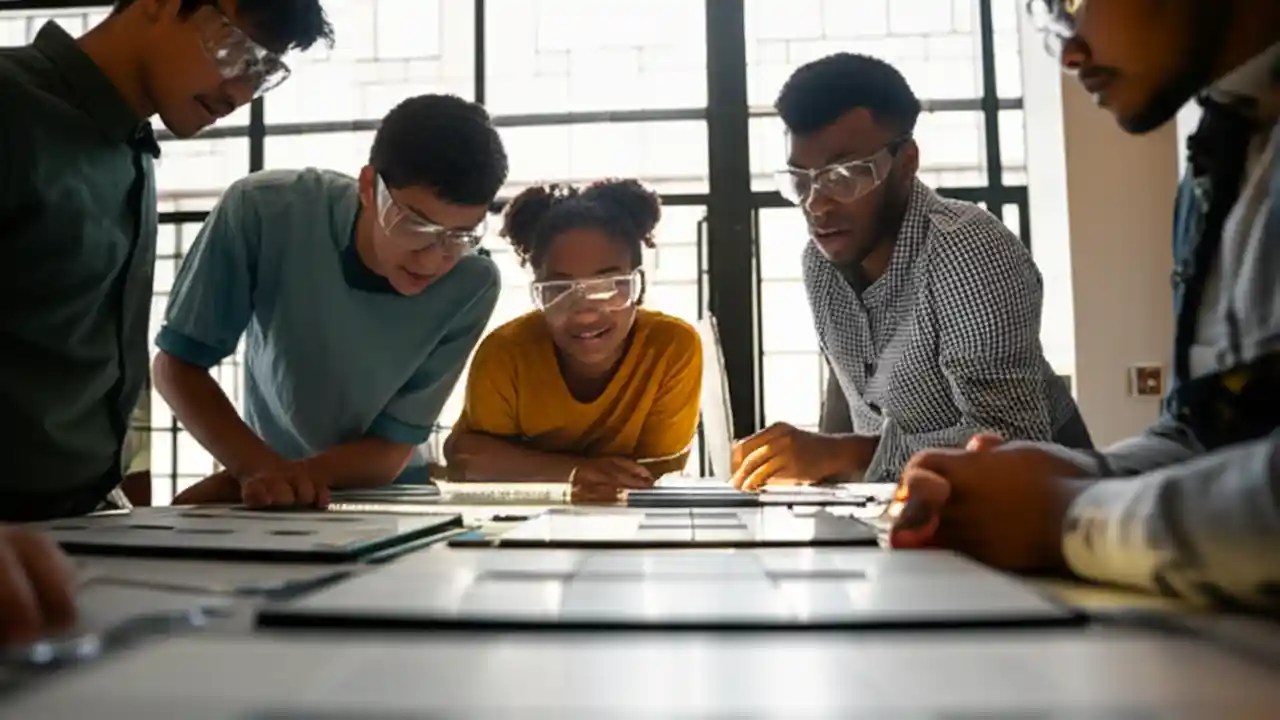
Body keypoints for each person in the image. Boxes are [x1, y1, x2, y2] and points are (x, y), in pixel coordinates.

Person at [893, 0, 1279, 611]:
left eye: (1071, 2)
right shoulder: (1225, 150)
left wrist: (1071, 515)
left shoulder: (964, 243)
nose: (1069, 52)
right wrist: (1068, 474)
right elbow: (1206, 434)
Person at [0, 0, 330, 641]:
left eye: (263, 77)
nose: (241, 94)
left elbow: (102, 356)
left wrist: (130, 504)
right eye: (240, 53)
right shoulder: (11, 109)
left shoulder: (131, 153)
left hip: (80, 539)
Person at [731, 53, 1091, 491]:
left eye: (844, 175)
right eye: (802, 180)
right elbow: (848, 392)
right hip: (898, 508)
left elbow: (1008, 440)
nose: (817, 204)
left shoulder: (967, 249)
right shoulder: (821, 262)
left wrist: (841, 454)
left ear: (906, 163)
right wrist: (816, 477)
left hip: (1038, 510)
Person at [154, 95, 507, 509]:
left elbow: (390, 450)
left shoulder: (472, 284)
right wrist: (256, 469)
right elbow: (176, 366)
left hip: (383, 495)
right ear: (367, 187)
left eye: (460, 235)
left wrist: (274, 478)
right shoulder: (266, 210)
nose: (433, 259)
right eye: (413, 223)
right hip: (267, 479)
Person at [444, 180, 702, 503]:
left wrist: (526, 467)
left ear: (638, 285)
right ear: (537, 290)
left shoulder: (670, 348)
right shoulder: (507, 353)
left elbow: (650, 481)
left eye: (608, 285)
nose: (584, 313)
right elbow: (468, 460)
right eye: (559, 289)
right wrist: (576, 472)